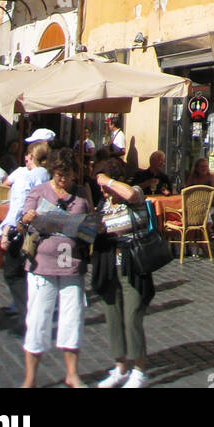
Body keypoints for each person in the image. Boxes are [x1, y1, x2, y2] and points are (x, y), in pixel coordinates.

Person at [21, 146, 93, 388]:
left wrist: (92, 228)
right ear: (52, 172)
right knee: (38, 319)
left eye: (68, 175)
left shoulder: (82, 193)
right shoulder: (39, 192)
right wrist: (28, 219)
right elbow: (22, 222)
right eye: (60, 175)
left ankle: (72, 374)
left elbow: (90, 222)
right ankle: (30, 378)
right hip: (43, 264)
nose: (64, 180)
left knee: (72, 319)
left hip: (72, 265)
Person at [92, 159, 156, 389]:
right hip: (110, 264)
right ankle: (120, 366)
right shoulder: (104, 204)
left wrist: (107, 180)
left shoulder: (135, 192)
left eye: (104, 184)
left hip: (133, 264)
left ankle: (139, 369)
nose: (101, 189)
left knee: (132, 317)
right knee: (113, 315)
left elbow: (130, 195)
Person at [0, 141, 50, 327]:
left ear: (33, 157)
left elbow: (17, 208)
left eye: (28, 154)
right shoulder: (48, 176)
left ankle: (27, 313)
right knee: (33, 271)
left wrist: (6, 232)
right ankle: (34, 310)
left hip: (24, 229)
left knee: (13, 272)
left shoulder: (26, 178)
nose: (25, 158)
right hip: (45, 230)